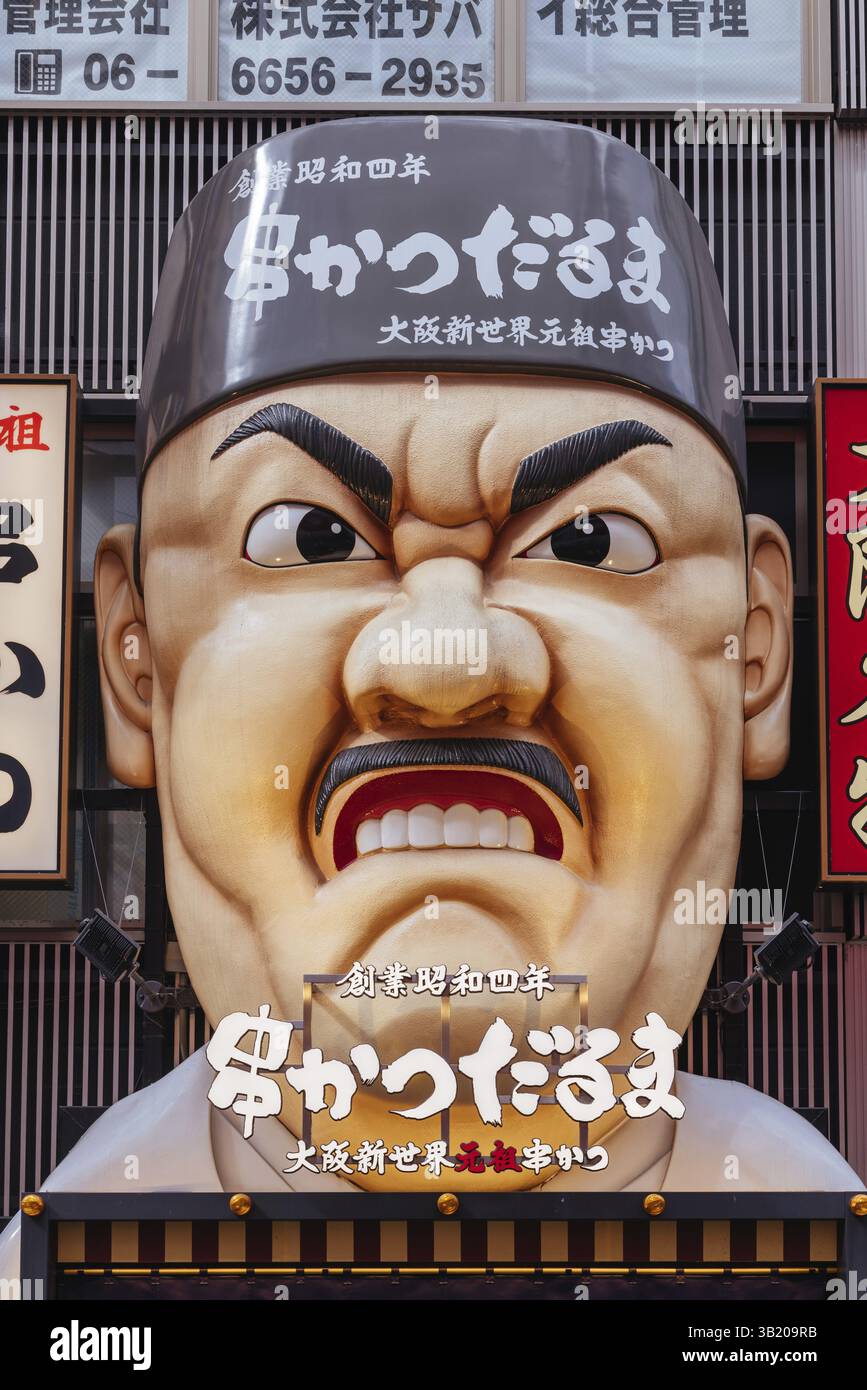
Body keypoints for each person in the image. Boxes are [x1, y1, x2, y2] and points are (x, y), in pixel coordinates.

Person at [1, 114, 859, 1284]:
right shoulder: (92, 1249)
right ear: (136, 665)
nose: (445, 661)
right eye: (306, 537)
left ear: (751, 656)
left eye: (593, 541)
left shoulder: (799, 1238)